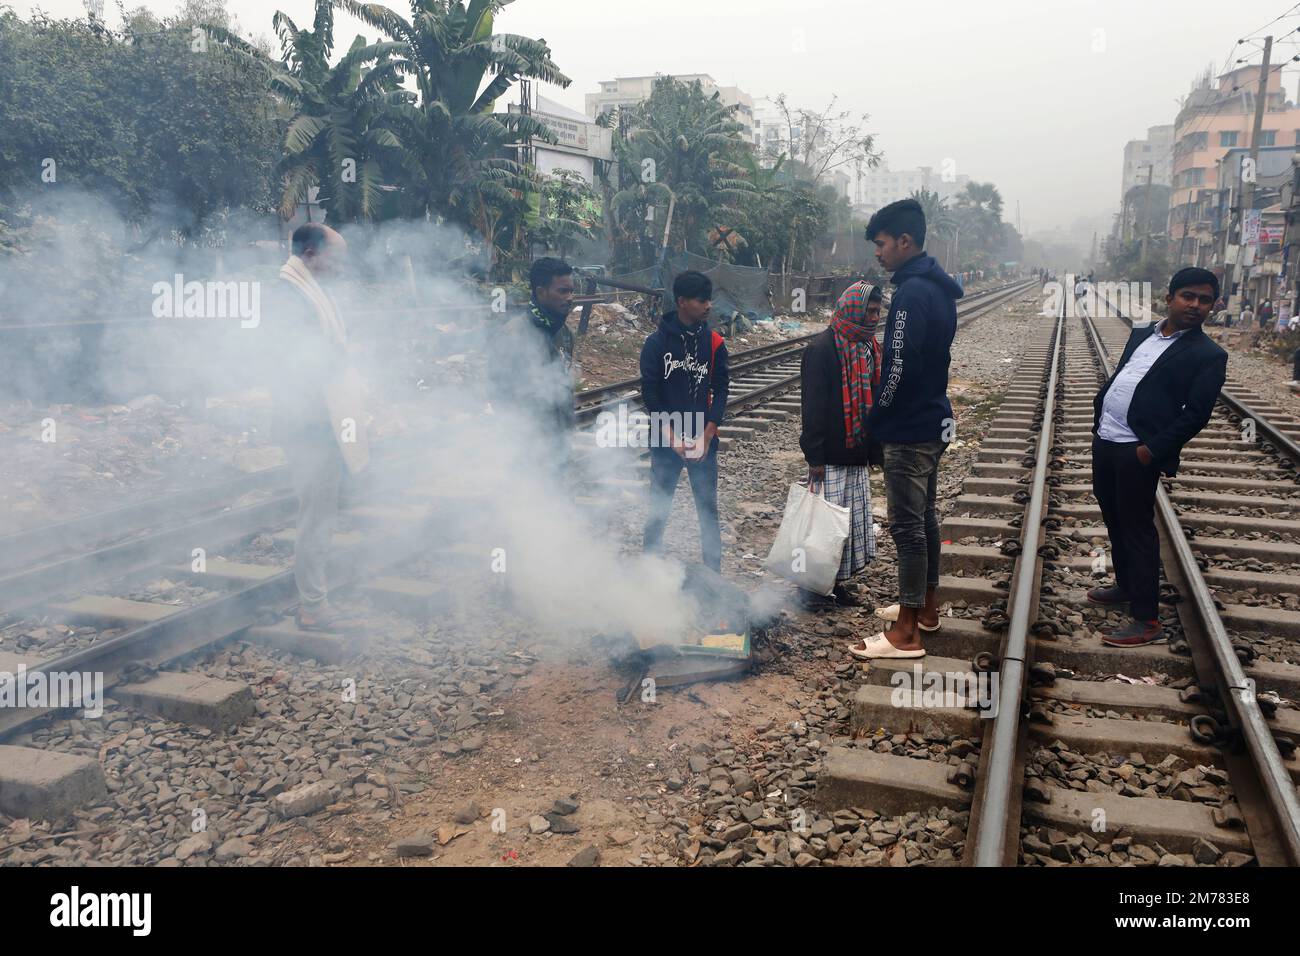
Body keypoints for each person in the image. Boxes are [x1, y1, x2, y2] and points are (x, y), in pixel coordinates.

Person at [849, 199, 963, 660]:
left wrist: (877, 417)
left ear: (904, 241)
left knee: (907, 529)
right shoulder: (938, 289)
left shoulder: (912, 294)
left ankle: (906, 633)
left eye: (880, 244)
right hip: (933, 419)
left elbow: (896, 365)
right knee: (926, 519)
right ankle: (927, 608)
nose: (878, 253)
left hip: (910, 427)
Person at [1089, 267, 1228, 647]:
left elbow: (1196, 414)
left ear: (1211, 306)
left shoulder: (1208, 355)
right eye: (1188, 296)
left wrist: (1152, 450)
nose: (1195, 305)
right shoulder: (1141, 334)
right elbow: (1124, 376)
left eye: (1204, 300)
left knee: (1137, 530)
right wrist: (1100, 418)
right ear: (1169, 299)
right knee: (1114, 518)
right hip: (1107, 441)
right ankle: (1127, 585)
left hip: (1138, 451)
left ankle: (1146, 619)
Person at [268, 223, 369, 631]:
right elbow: (298, 362)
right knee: (316, 515)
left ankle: (316, 596)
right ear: (310, 254)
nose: (340, 267)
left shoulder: (307, 289)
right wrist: (344, 358)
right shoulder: (287, 295)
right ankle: (312, 606)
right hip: (309, 422)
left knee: (323, 511)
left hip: (323, 419)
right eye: (335, 258)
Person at [798, 281, 884, 608]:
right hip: (830, 457)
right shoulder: (821, 349)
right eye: (870, 310)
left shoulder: (867, 347)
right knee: (823, 526)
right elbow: (813, 406)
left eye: (878, 311)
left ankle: (833, 584)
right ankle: (810, 590)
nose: (875, 317)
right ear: (853, 309)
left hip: (855, 453)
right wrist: (814, 456)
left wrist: (874, 450)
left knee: (845, 524)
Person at [640, 271, 729, 572]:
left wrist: (706, 436)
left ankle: (714, 577)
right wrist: (672, 438)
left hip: (703, 440)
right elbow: (650, 396)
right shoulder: (655, 344)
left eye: (709, 299)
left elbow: (720, 390)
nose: (708, 305)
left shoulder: (714, 343)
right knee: (659, 508)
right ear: (681, 302)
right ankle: (649, 572)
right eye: (701, 300)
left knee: (708, 511)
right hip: (667, 442)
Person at [496, 257, 578, 437]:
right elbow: (499, 393)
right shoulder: (513, 334)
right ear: (541, 292)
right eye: (563, 291)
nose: (570, 298)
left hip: (558, 438)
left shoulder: (565, 333)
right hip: (525, 441)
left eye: (571, 291)